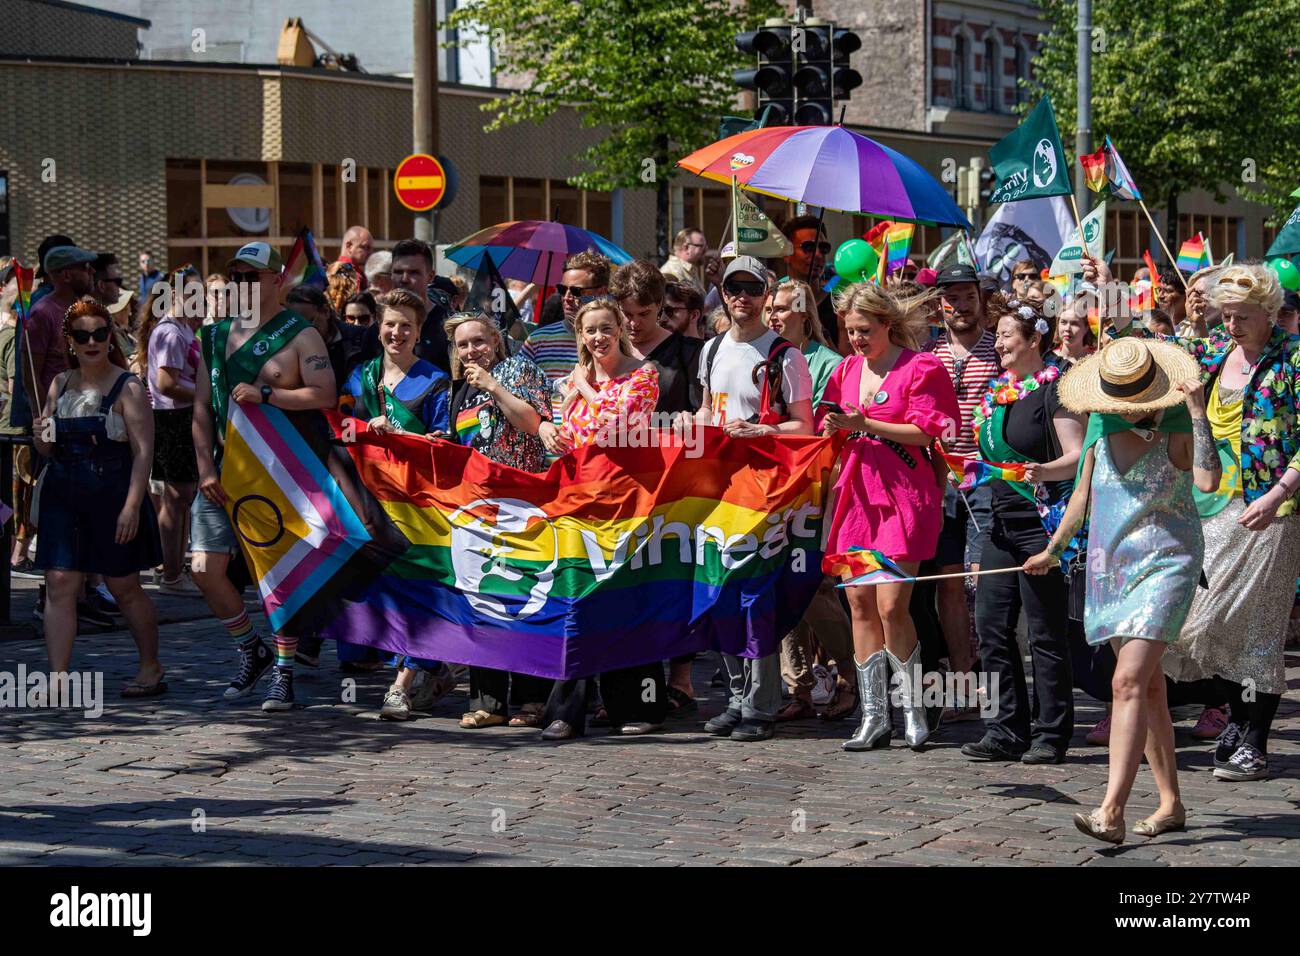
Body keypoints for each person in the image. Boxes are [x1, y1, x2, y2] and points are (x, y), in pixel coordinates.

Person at [1099, 262, 1300, 781]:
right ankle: (1236, 716)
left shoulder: (1293, 359)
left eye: (1243, 317)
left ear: (1270, 313)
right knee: (1203, 622)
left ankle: (1253, 740)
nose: (1232, 326)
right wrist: (1110, 297)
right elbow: (1144, 356)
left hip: (1269, 508)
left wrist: (1279, 493)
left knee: (1255, 624)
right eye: (1227, 315)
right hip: (1206, 504)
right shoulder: (1210, 354)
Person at [1025, 338, 1214, 843]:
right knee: (1147, 687)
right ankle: (1171, 803)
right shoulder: (1102, 426)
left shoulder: (1176, 421)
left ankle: (1111, 811)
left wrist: (1198, 411)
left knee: (1126, 682)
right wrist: (1054, 550)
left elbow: (1209, 480)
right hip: (1112, 566)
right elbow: (1081, 497)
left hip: (1168, 561)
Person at [191, 241, 336, 712]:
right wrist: (205, 468)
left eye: (251, 277)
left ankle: (284, 670)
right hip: (221, 471)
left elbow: (324, 394)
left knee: (275, 572)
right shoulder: (213, 337)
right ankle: (249, 648)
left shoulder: (300, 334)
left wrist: (268, 393)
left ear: (278, 281)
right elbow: (198, 409)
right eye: (236, 277)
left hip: (277, 474)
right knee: (204, 569)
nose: (242, 285)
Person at [818, 283, 960, 750]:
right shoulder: (845, 371)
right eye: (850, 331)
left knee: (892, 605)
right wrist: (833, 427)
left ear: (887, 324)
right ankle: (874, 716)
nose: (856, 339)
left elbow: (927, 432)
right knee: (859, 603)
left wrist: (865, 424)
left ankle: (913, 708)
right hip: (857, 499)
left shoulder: (922, 367)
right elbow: (833, 423)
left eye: (864, 330)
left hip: (903, 500)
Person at [536, 298, 668, 740]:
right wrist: (554, 431)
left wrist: (587, 390)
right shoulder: (571, 382)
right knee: (576, 599)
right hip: (576, 501)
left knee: (625, 598)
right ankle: (567, 710)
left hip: (627, 501)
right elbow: (570, 434)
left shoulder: (643, 372)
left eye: (606, 328)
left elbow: (619, 426)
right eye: (590, 330)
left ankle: (636, 704)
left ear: (620, 329)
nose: (598, 338)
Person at [695, 256, 814, 743]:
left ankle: (762, 705)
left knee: (753, 595)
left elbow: (803, 426)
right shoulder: (710, 350)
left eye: (751, 288)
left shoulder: (786, 355)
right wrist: (693, 424)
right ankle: (738, 697)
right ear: (722, 294)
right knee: (717, 591)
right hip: (716, 486)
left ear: (767, 295)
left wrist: (760, 429)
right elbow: (708, 409)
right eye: (732, 288)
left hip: (765, 487)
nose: (741, 296)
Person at [960, 295, 1083, 764]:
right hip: (998, 523)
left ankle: (1051, 733)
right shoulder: (996, 393)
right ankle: (1004, 728)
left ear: (1036, 339)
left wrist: (1043, 471)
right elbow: (990, 461)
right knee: (990, 625)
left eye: (1009, 335)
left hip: (1042, 524)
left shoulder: (1056, 388)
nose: (1000, 343)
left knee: (1045, 633)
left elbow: (1076, 455)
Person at [33, 300, 165, 697]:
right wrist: (42, 435)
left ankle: (150, 666)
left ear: (110, 336)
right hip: (63, 491)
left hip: (112, 491)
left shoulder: (129, 386)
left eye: (100, 334)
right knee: (59, 582)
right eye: (82, 335)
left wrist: (131, 506)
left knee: (123, 585)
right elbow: (45, 449)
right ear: (70, 341)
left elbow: (144, 451)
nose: (92, 342)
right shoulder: (60, 383)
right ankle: (58, 679)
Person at [339, 289, 452, 720]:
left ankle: (400, 687)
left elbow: (445, 441)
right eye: (390, 323)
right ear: (379, 327)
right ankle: (433, 666)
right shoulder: (359, 377)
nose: (397, 332)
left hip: (420, 502)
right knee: (383, 589)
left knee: (418, 588)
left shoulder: (435, 379)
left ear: (419, 331)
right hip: (370, 501)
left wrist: (402, 437)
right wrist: (367, 426)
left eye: (407, 324)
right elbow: (339, 426)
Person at [443, 311, 555, 727]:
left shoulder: (518, 369)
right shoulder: (461, 389)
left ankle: (533, 700)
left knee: (524, 597)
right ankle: (487, 702)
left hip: (522, 502)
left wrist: (493, 386)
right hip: (477, 508)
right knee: (482, 598)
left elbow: (535, 424)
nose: (472, 351)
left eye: (479, 341)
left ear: (496, 340)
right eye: (463, 344)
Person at [609, 259, 704, 715]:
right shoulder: (608, 351)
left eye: (643, 314)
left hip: (673, 485)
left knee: (672, 579)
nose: (634, 323)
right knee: (625, 583)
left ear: (659, 308)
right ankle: (623, 688)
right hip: (618, 486)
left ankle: (681, 680)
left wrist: (690, 419)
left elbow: (701, 413)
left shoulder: (687, 352)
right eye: (626, 313)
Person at [921, 263, 1000, 689]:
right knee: (949, 585)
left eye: (969, 296)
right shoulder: (927, 356)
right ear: (940, 305)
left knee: (981, 581)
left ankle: (995, 679)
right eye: (952, 298)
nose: (961, 305)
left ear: (980, 299)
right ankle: (964, 681)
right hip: (940, 480)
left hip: (987, 479)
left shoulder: (1000, 350)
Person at [139, 273, 202, 595]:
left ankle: (176, 571)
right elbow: (166, 383)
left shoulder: (183, 328)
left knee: (180, 499)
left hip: (180, 419)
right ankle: (173, 575)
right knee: (174, 501)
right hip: (171, 420)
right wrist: (206, 393)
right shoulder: (170, 332)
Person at [23, 245, 97, 402]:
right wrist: (44, 420)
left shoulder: (84, 309)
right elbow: (31, 376)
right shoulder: (42, 314)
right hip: (58, 417)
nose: (92, 272)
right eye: (85, 267)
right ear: (66, 275)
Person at [285, 285, 367, 392]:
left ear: (325, 311)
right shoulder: (288, 347)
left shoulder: (361, 339)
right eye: (295, 326)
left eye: (309, 322)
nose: (302, 331)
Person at [389, 239, 452, 376]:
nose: (404, 279)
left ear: (430, 277)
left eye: (414, 273)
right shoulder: (378, 325)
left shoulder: (449, 327)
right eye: (398, 272)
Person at [781, 215, 836, 345]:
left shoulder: (838, 305)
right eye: (808, 247)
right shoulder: (772, 301)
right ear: (786, 254)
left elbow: (847, 362)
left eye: (823, 248)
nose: (818, 254)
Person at [1052, 297, 1097, 367]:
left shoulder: (1094, 361)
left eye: (1074, 324)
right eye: (1063, 322)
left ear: (1086, 328)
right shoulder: (1047, 359)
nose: (1067, 328)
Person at [661, 228, 708, 293]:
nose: (706, 250)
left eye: (706, 246)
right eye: (701, 246)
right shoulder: (672, 272)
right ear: (686, 247)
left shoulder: (690, 270)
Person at [336, 225, 374, 289]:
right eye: (365, 247)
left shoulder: (357, 272)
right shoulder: (346, 274)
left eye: (370, 248)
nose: (370, 253)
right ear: (349, 246)